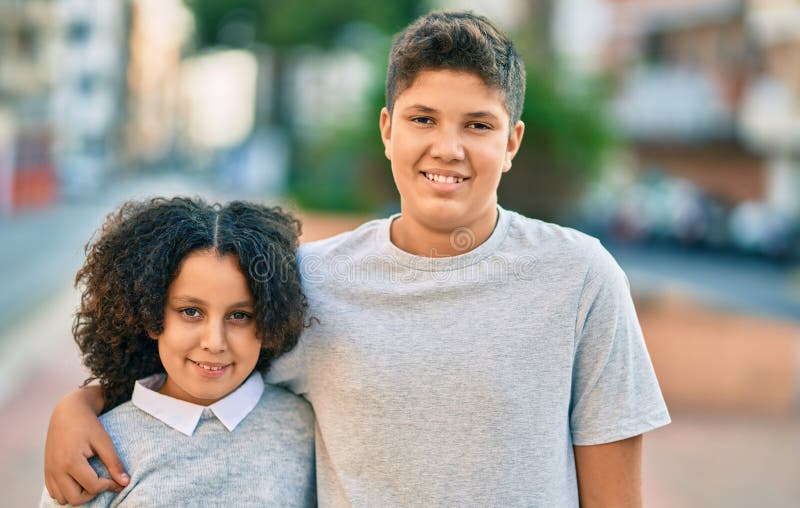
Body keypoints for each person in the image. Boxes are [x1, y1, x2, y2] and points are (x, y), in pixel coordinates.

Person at [44, 11, 669, 507]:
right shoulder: (312, 284)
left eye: (478, 125)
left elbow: (614, 495)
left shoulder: (581, 278)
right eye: (423, 118)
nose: (447, 147)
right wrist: (84, 406)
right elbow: (202, 367)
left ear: (512, 142)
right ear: (387, 129)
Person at [40, 198, 315, 507]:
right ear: (152, 316)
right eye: (191, 311)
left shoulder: (306, 428)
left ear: (269, 320)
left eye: (239, 315)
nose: (214, 342)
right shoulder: (96, 448)